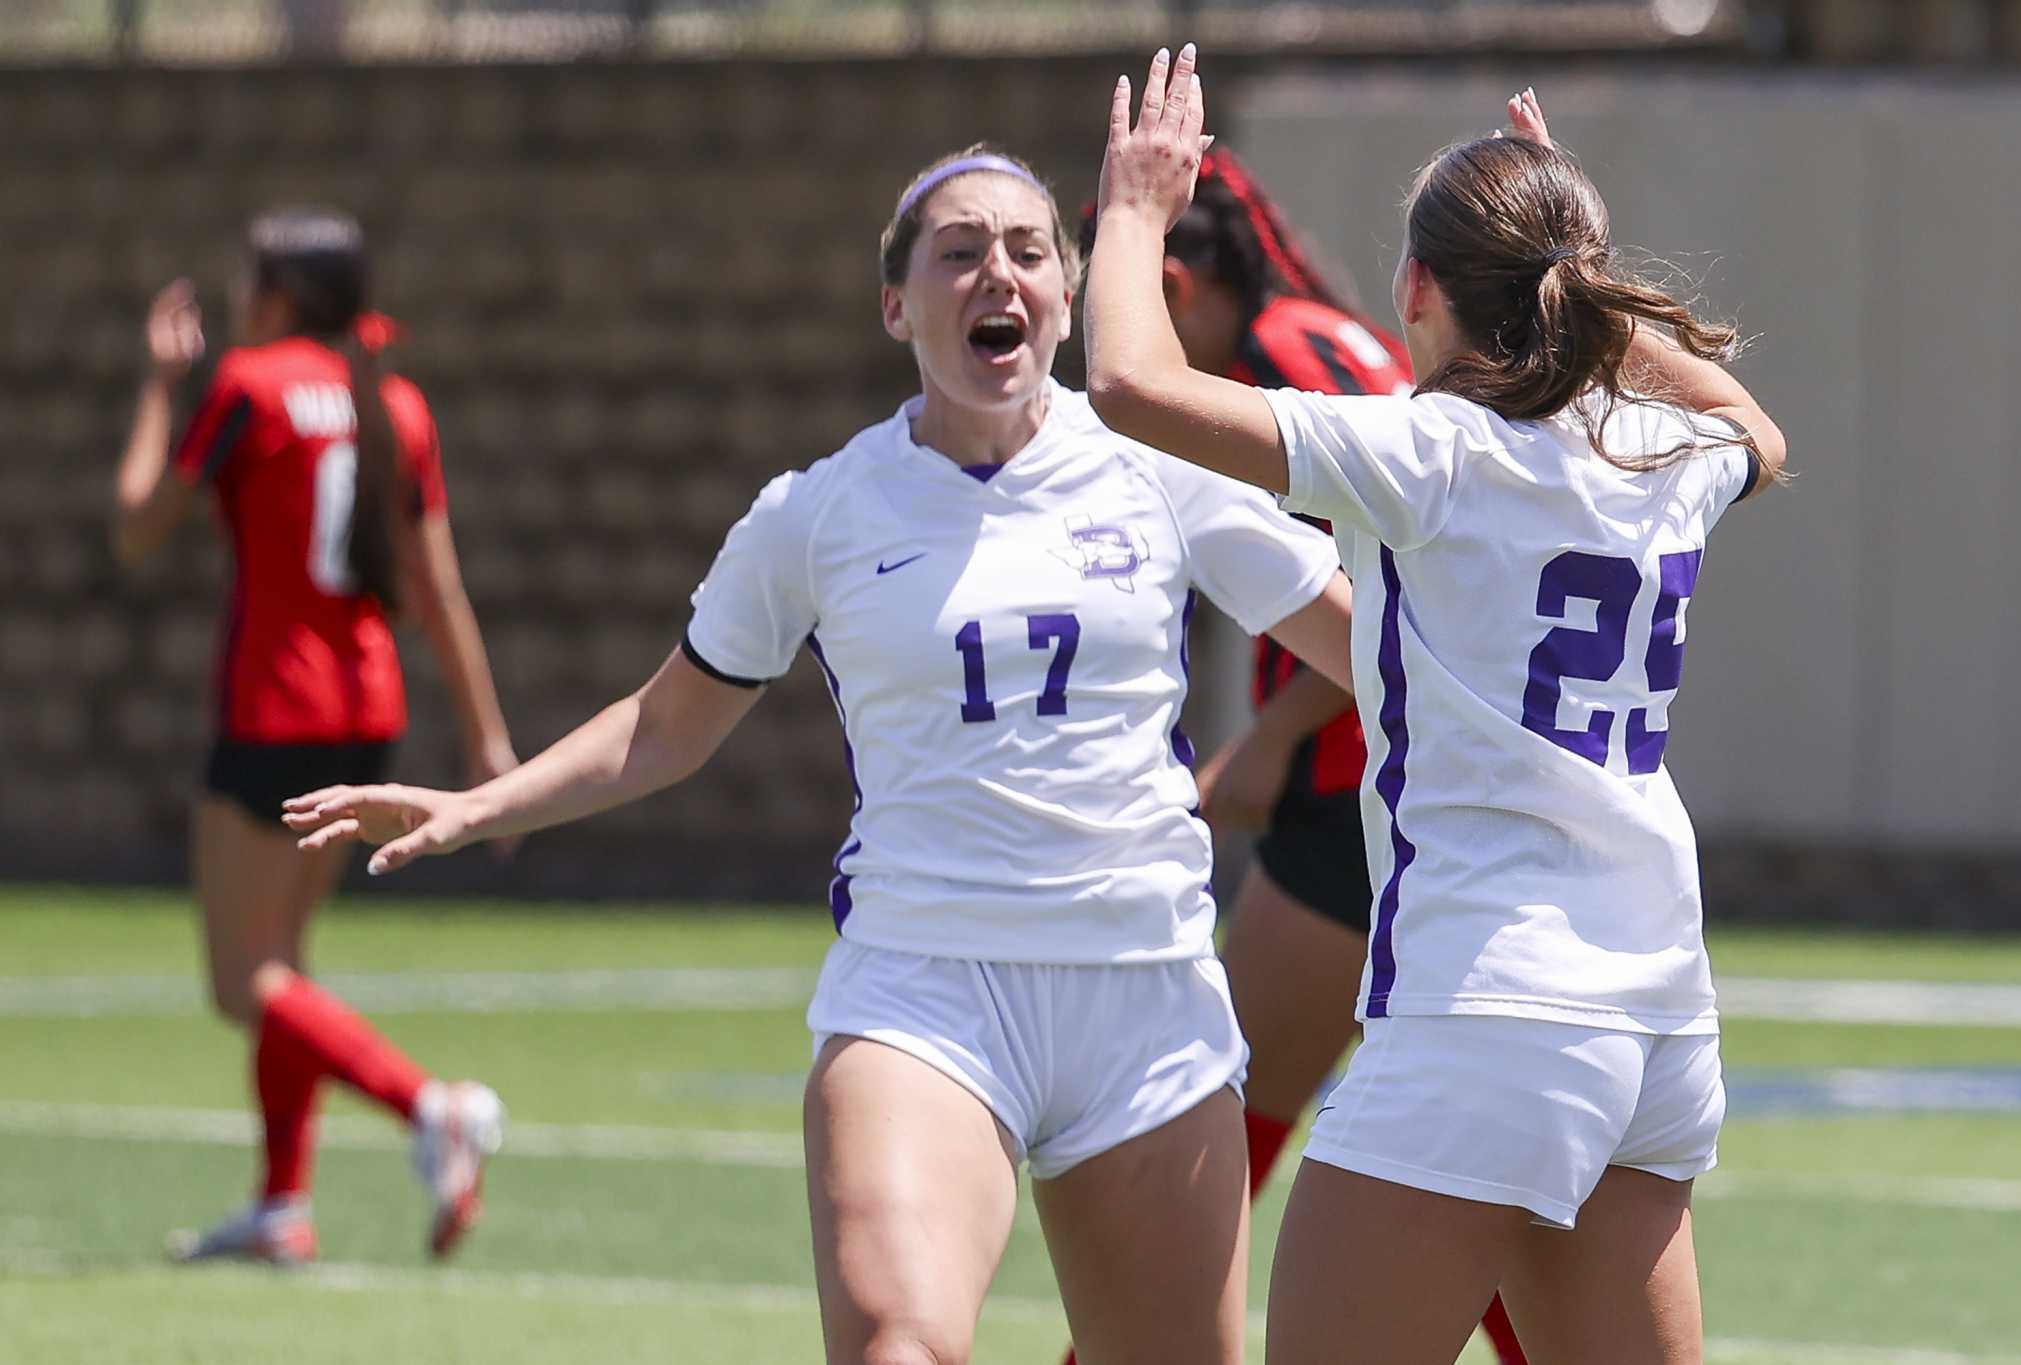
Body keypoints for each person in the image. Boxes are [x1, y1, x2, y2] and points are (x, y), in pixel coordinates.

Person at [281, 146, 1355, 1364]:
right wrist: (477, 804)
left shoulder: (1162, 471)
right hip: (929, 992)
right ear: (896, 304)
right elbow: (663, 724)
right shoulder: (818, 512)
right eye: (956, 251)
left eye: (1024, 249)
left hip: (1146, 992)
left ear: (1067, 290)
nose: (992, 272)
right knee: (898, 1343)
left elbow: (1376, 651)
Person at [1087, 55, 1784, 1365]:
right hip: (1657, 1017)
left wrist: (1133, 210)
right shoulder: (1661, 453)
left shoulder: (1436, 452)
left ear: (1416, 290)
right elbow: (1760, 429)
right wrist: (1591, 296)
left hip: (1489, 1008)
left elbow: (1130, 385)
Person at [1067, 150, 1530, 1365]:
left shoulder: (1290, 353)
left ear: (1177, 278)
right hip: (1400, 798)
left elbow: (1402, 597)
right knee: (1441, 1177)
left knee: (1212, 1141)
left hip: (1360, 799)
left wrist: (1266, 744)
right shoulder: (1311, 341)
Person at [111, 208, 518, 1264]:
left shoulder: (247, 388)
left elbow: (136, 524)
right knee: (282, 966)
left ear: (280, 295)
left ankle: (433, 1108)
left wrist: (161, 386)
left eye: (250, 282)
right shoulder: (394, 398)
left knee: (239, 982)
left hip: (269, 712)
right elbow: (437, 586)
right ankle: (282, 1205)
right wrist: (486, 744)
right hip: (366, 714)